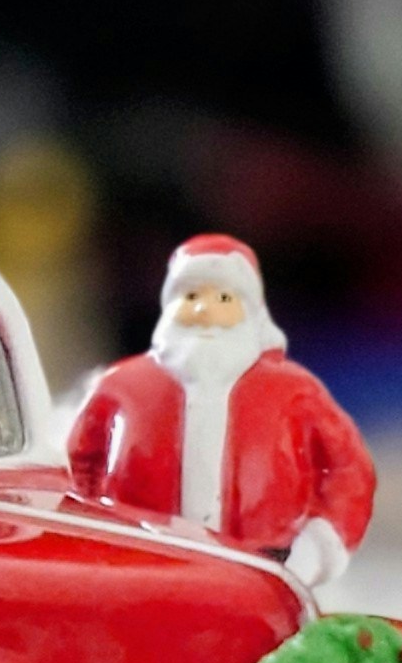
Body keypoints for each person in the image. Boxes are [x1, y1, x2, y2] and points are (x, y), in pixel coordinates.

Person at [62, 235, 375, 594]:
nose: (204, 311)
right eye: (191, 297)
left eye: (223, 298)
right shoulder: (121, 388)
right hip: (143, 565)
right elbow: (82, 463)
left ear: (250, 310)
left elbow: (347, 469)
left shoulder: (295, 393)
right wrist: (97, 529)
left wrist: (319, 545)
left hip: (264, 568)